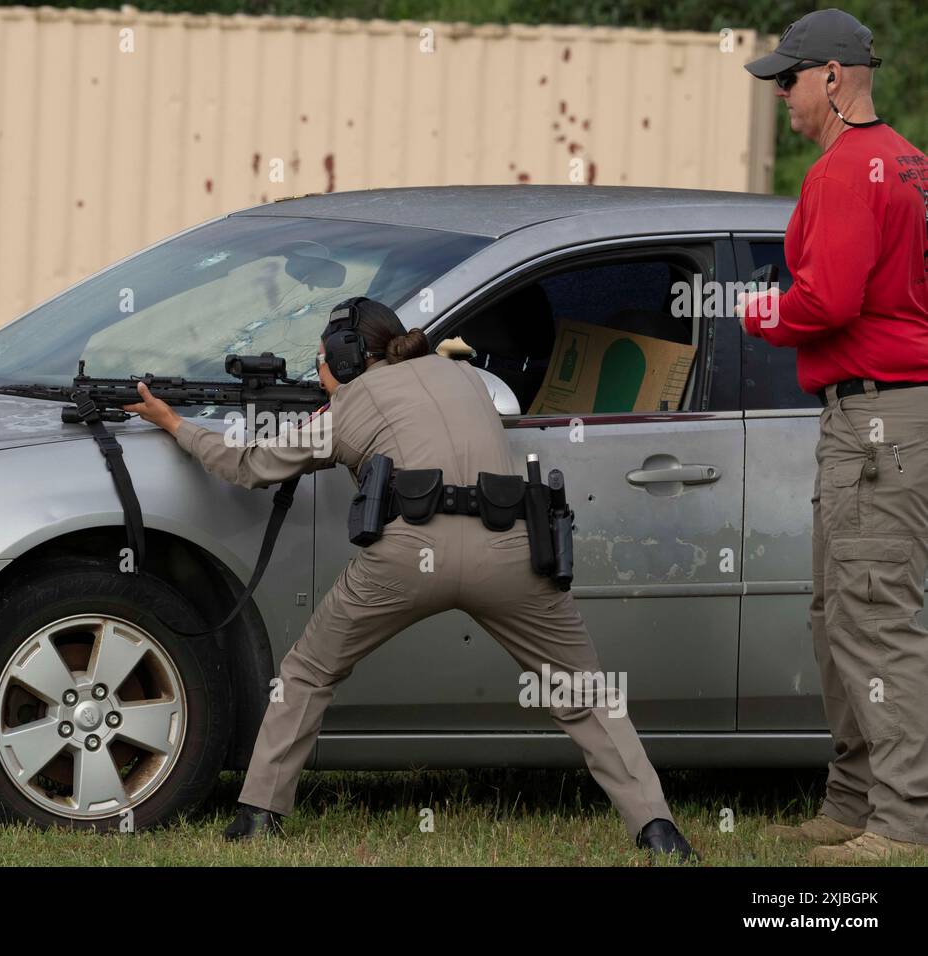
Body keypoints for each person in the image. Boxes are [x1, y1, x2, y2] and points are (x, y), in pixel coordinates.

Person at [123, 295, 697, 860]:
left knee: (306, 672)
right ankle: (656, 828)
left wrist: (173, 422)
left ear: (346, 358)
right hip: (513, 552)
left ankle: (258, 814)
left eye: (322, 361)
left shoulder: (348, 405)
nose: (320, 373)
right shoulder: (465, 378)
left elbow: (247, 466)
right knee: (583, 691)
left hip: (409, 555)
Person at [738, 8, 928, 863]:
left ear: (831, 78)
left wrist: (762, 313)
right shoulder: (914, 165)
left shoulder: (849, 169)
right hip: (884, 416)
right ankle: (853, 797)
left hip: (879, 420)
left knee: (875, 619)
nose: (781, 94)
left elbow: (830, 300)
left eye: (789, 78)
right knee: (837, 614)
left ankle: (902, 819)